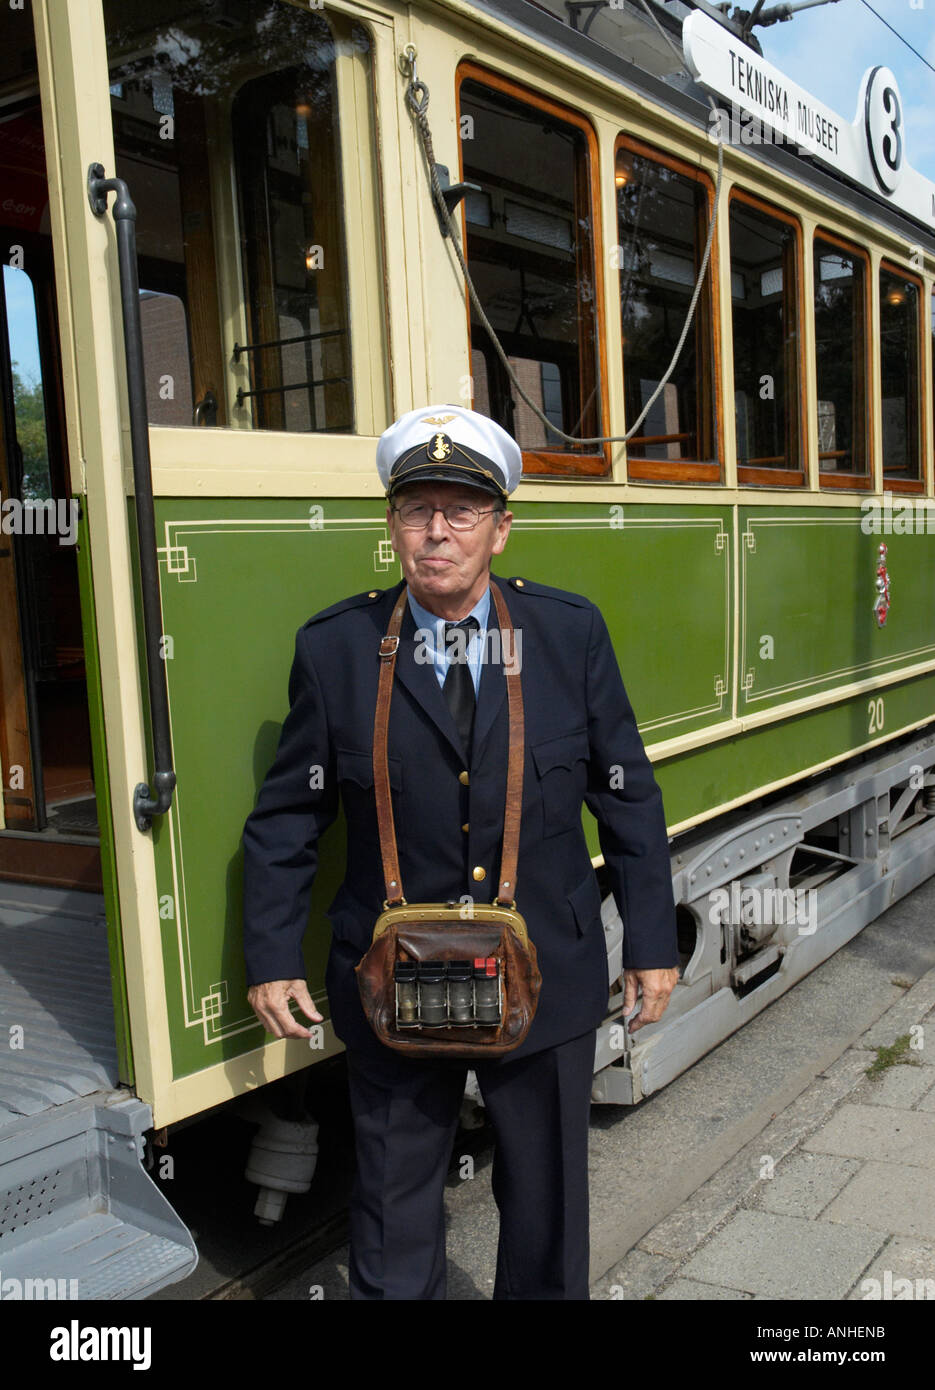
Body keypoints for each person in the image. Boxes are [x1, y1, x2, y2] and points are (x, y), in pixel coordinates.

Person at [241, 403, 680, 1300]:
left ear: (500, 529)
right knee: (394, 1208)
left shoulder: (566, 633)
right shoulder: (335, 649)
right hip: (388, 980)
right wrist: (270, 956)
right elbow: (289, 816)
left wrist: (651, 944)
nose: (436, 532)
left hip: (544, 970)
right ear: (391, 525)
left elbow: (626, 795)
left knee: (547, 1210)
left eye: (462, 511)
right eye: (415, 510)